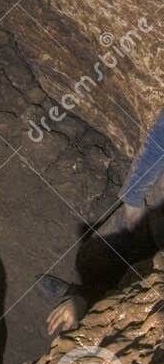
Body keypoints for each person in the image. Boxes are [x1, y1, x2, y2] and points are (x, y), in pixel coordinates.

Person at [46, 104, 164, 336]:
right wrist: (133, 201)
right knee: (92, 257)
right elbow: (159, 140)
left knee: (134, 288)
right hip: (153, 209)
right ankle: (84, 294)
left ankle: (85, 300)